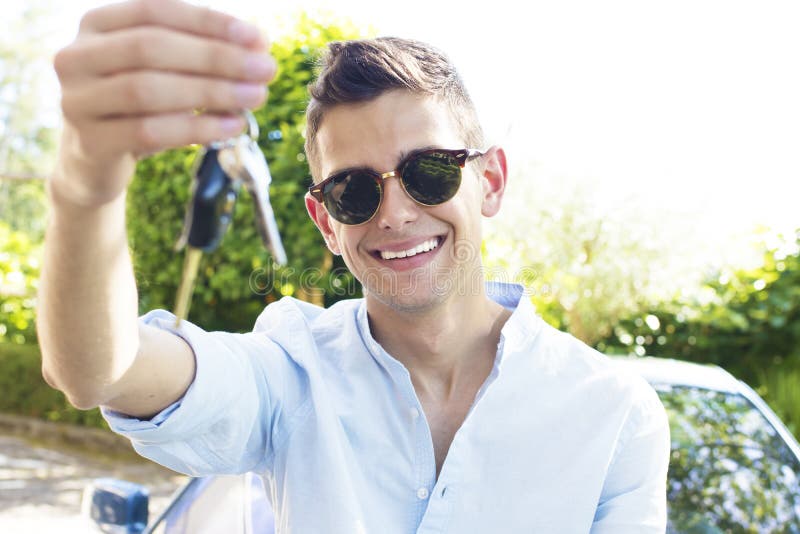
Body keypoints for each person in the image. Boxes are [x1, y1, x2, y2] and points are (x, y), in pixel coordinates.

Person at [37, 0, 670, 532]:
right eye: (354, 190)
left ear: (491, 180)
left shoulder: (614, 413)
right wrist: (86, 185)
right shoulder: (289, 370)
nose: (393, 212)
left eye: (429, 171)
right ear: (326, 223)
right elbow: (99, 371)